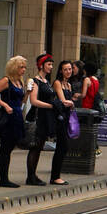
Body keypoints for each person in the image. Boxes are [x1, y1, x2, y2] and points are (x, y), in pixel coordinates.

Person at [27, 57, 75, 185]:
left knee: (39, 146)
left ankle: (33, 176)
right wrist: (52, 106)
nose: (51, 67)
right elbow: (33, 101)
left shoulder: (46, 81)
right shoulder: (35, 80)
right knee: (36, 146)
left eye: (52, 65)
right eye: (49, 64)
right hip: (40, 117)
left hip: (47, 117)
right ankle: (31, 176)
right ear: (41, 65)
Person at [0, 55, 28, 187]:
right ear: (14, 68)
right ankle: (3, 179)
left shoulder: (20, 82)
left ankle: (5, 177)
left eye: (24, 67)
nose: (23, 70)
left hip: (17, 115)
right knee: (5, 148)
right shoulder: (6, 81)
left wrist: (27, 93)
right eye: (21, 67)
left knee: (10, 147)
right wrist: (5, 105)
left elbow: (21, 101)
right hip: (8, 116)